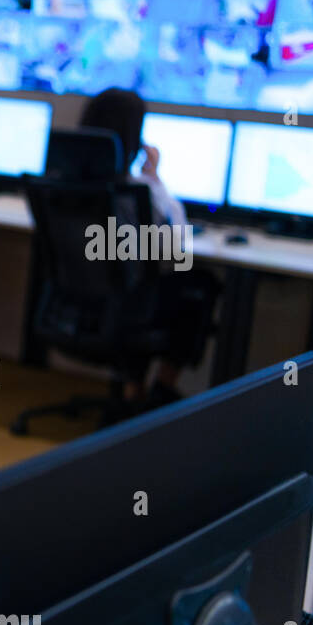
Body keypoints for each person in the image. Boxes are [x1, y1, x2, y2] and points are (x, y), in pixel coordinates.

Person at [78, 87, 221, 410]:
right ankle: (163, 387)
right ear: (133, 136)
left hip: (73, 308)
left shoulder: (60, 180)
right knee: (198, 283)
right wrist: (155, 179)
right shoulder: (135, 190)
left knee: (142, 284)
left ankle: (133, 389)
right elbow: (175, 240)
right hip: (124, 312)